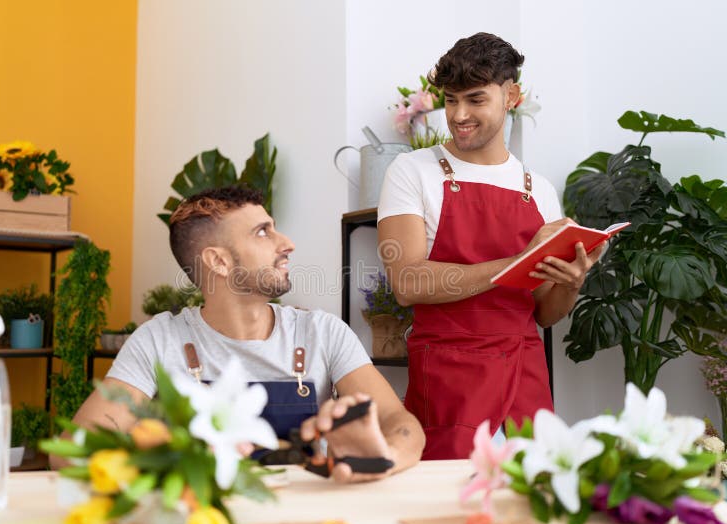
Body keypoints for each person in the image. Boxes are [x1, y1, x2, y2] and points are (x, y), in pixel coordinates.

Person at [61, 186, 425, 482]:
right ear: (218, 261)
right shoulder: (159, 341)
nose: (287, 243)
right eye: (263, 232)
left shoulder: (323, 333)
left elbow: (401, 424)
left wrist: (381, 459)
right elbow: (74, 449)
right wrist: (164, 456)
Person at [377, 32, 603, 460]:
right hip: (450, 381)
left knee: (530, 511)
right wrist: (519, 260)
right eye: (450, 100)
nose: (459, 115)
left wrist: (571, 282)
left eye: (475, 99)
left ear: (511, 95)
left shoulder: (539, 191)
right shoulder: (413, 171)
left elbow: (543, 312)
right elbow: (407, 282)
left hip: (526, 380)